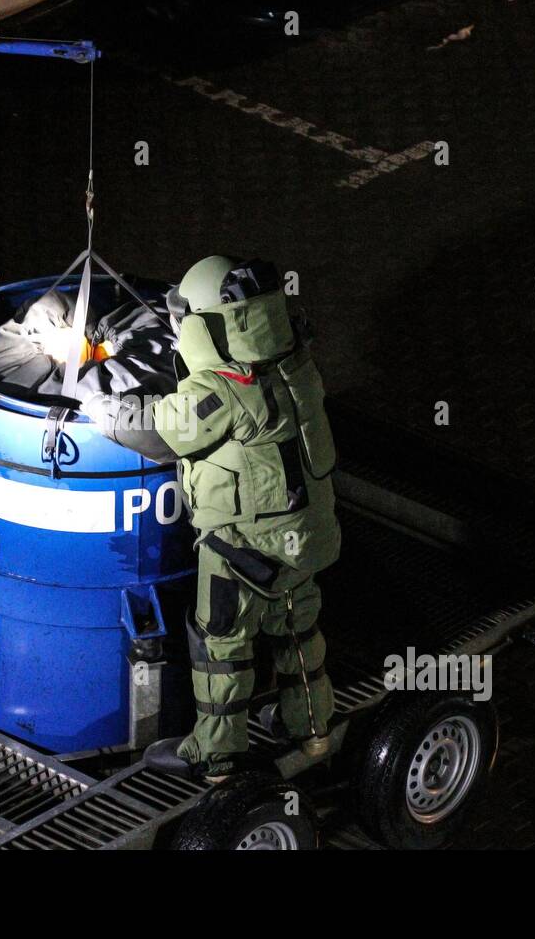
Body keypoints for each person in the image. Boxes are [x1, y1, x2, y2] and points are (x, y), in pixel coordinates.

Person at [84, 256, 342, 781]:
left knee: (219, 646)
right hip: (306, 533)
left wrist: (99, 408)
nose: (178, 327)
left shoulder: (221, 389)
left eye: (184, 319)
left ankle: (217, 754)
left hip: (242, 549)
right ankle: (313, 730)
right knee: (297, 631)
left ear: (207, 325)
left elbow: (159, 428)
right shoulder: (295, 361)